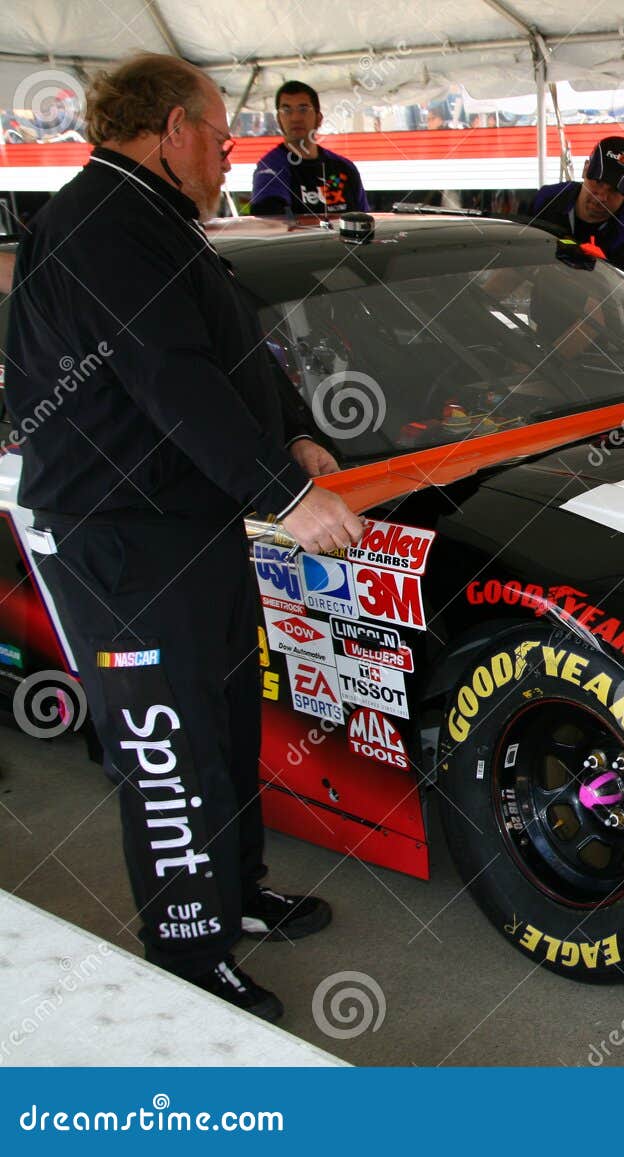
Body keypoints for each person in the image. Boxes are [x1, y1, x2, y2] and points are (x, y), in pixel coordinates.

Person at [3, 53, 366, 1019]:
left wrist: (292, 428)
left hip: (188, 520)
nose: (227, 153)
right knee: (168, 740)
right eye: (218, 133)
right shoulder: (99, 223)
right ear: (171, 131)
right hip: (124, 535)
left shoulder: (156, 217)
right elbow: (174, 379)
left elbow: (236, 349)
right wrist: (286, 497)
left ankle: (236, 894)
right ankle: (186, 947)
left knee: (227, 715)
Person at [526, 135, 624, 275]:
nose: (602, 197)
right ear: (585, 168)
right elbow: (515, 259)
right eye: (598, 182)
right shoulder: (547, 200)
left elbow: (620, 296)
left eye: (614, 190)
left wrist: (601, 271)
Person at [251, 80, 369, 216]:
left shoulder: (345, 168)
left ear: (319, 118)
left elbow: (364, 221)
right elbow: (270, 222)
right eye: (286, 110)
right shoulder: (271, 167)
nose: (295, 118)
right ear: (278, 119)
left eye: (303, 109)